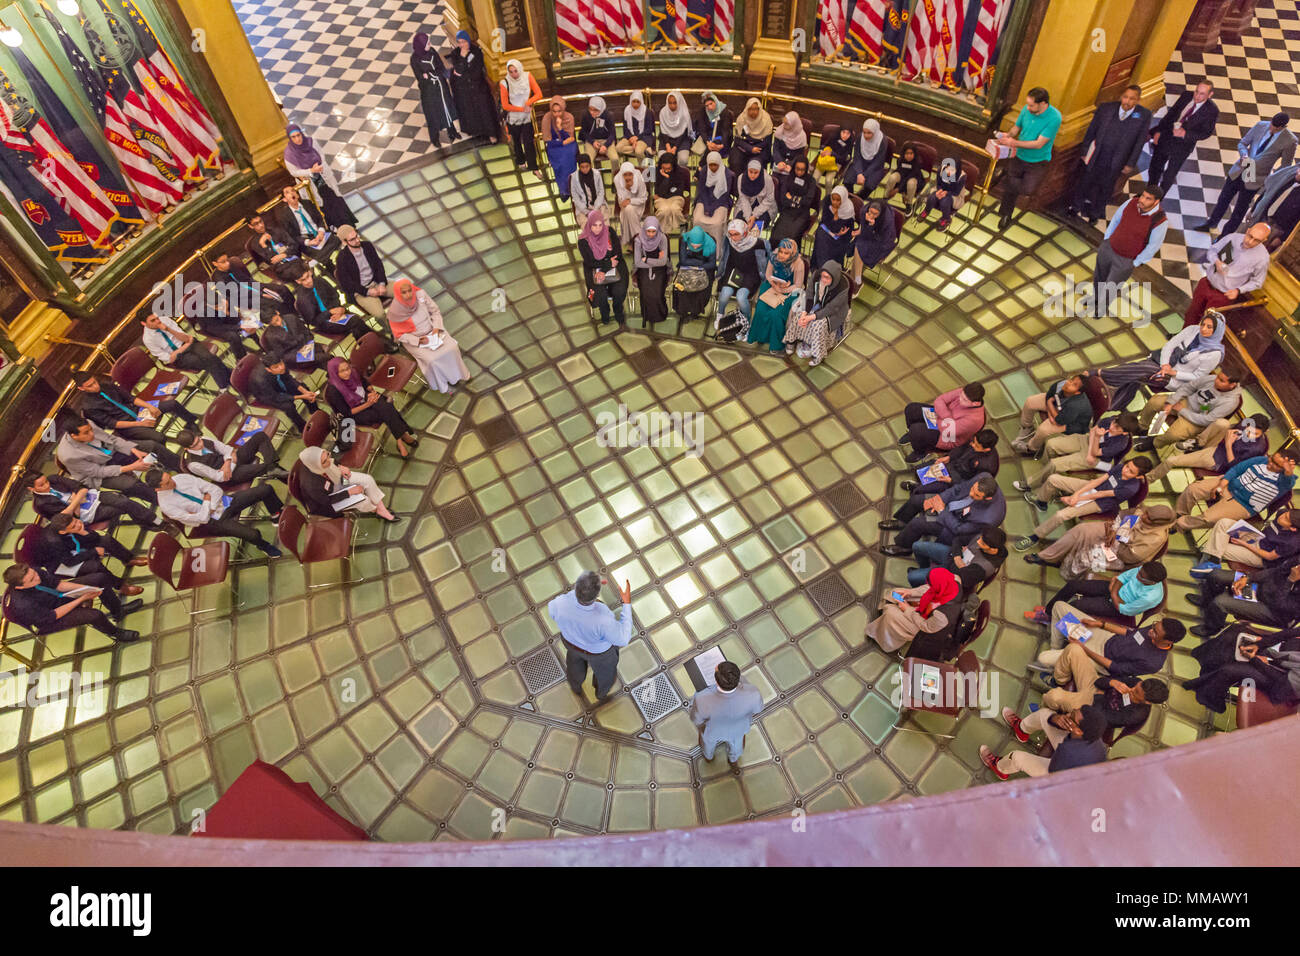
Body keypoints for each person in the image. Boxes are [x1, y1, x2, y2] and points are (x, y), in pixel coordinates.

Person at [1189, 112, 1296, 237]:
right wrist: (1243, 154)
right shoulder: (1261, 125)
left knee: (1240, 210)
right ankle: (1211, 223)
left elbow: (1285, 167)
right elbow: (1243, 143)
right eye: (1272, 124)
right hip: (1239, 169)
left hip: (1255, 177)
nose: (1271, 128)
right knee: (1223, 199)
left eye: (1275, 127)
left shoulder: (1290, 141)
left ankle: (1225, 236)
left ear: (1283, 127)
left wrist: (1269, 178)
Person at [1099, 313, 1225, 412]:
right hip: (1162, 363)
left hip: (1175, 379)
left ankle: (1103, 374)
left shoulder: (1215, 354)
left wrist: (1172, 372)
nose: (1203, 329)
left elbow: (1197, 377)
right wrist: (1165, 364)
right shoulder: (1193, 330)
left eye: (1209, 327)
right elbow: (1169, 346)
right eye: (1203, 324)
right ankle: (1116, 404)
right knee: (1138, 375)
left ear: (1217, 331)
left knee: (1146, 369)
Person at [1015, 455, 1152, 547]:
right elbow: (1099, 481)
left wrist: (1076, 498)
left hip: (1100, 501)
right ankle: (1041, 502)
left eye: (1130, 471)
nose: (1125, 470)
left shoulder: (1131, 488)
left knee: (1061, 515)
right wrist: (1077, 494)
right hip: (1093, 487)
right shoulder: (1121, 467)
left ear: (1138, 476)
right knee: (1053, 479)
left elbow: (1102, 494)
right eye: (1127, 466)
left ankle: (1035, 537)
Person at [882, 429, 1000, 531]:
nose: (972, 445)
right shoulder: (975, 440)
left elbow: (969, 486)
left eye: (976, 446)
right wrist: (949, 457)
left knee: (918, 494)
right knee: (918, 471)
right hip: (950, 466)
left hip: (953, 481)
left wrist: (951, 481)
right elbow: (961, 447)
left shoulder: (988, 466)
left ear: (987, 449)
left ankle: (903, 520)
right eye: (973, 442)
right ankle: (918, 487)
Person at [146, 469, 283, 555]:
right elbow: (201, 520)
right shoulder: (167, 505)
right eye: (167, 483)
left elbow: (215, 489)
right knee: (253, 535)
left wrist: (208, 505)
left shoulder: (181, 478)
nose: (173, 481)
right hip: (214, 521)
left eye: (169, 477)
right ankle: (263, 546)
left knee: (266, 489)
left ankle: (275, 515)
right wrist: (207, 502)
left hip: (223, 501)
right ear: (158, 489)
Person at [1068, 85, 1152, 223]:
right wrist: (1084, 151)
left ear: (1137, 100)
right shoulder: (1106, 108)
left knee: (1105, 187)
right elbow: (1092, 130)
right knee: (1085, 181)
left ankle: (1095, 213)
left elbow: (1139, 142)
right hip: (1097, 154)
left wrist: (1130, 163)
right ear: (1121, 96)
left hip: (1117, 160)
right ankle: (1075, 207)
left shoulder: (1144, 115)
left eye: (1132, 99)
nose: (1127, 101)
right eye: (1125, 97)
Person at [547, 571, 633, 704]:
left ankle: (575, 686)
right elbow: (623, 639)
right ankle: (601, 693)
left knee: (574, 666)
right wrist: (626, 604)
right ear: (597, 595)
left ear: (576, 587)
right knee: (605, 674)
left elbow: (552, 613)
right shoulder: (603, 617)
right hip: (600, 654)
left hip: (571, 644)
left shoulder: (560, 602)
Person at [1014, 413, 1138, 503]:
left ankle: (1030, 484)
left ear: (1125, 432)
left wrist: (1092, 448)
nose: (1112, 427)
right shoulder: (1111, 420)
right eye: (1114, 423)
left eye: (1117, 428)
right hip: (1087, 441)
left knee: (1055, 464)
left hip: (1097, 459)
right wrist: (1092, 446)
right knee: (1051, 444)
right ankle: (1046, 473)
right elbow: (1094, 430)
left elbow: (1096, 452)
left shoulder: (1120, 443)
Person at [2, 563, 140, 643]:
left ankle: (118, 611)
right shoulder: (24, 604)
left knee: (99, 579)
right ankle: (115, 633)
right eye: (32, 580)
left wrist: (86, 590)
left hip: (56, 597)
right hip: (49, 618)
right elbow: (52, 616)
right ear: (20, 587)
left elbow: (58, 585)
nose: (37, 577)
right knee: (94, 615)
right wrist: (81, 598)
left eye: (35, 574)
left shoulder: (34, 572)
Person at [1028, 504, 1177, 578]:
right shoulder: (1145, 512)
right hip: (1115, 531)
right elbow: (1124, 514)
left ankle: (1067, 573)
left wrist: (1116, 538)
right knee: (1082, 531)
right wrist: (1114, 530)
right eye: (1146, 514)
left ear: (1157, 523)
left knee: (1086, 556)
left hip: (1121, 555)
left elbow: (1131, 556)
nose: (1143, 517)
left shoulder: (1155, 539)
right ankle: (1047, 556)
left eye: (1148, 518)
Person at [1028, 614, 1184, 684]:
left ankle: (1058, 664)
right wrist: (1100, 624)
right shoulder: (1154, 629)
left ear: (1167, 641)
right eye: (1153, 626)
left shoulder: (1153, 662)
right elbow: (1129, 632)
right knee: (1059, 607)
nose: (1150, 630)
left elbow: (1114, 667)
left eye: (1155, 632)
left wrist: (1083, 649)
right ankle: (1058, 649)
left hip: (1102, 660)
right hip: (1106, 638)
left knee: (1043, 658)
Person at [880, 474, 1005, 558]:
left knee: (918, 523)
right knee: (916, 501)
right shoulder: (984, 477)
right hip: (949, 505)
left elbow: (959, 529)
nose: (971, 493)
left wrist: (941, 510)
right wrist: (939, 498)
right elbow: (958, 488)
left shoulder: (988, 518)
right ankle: (903, 522)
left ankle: (904, 547)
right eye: (972, 489)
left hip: (955, 525)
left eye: (976, 495)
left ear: (988, 498)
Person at [74, 369, 197, 454]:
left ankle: (192, 424)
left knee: (172, 404)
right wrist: (140, 424)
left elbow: (131, 399)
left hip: (137, 411)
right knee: (159, 437)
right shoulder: (89, 407)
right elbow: (113, 424)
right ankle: (164, 456)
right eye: (90, 386)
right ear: (81, 388)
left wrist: (149, 406)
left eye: (94, 382)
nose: (95, 386)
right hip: (127, 425)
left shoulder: (107, 385)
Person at [1184, 623, 1300, 712]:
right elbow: (1288, 633)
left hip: (1283, 686)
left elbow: (1282, 681)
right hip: (1287, 657)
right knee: (1236, 631)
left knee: (1230, 670)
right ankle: (1206, 662)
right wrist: (1260, 644)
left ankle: (1210, 698)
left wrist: (1255, 660)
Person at [1090, 187, 1167, 317]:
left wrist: (1135, 263)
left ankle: (1101, 309)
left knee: (1111, 286)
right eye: (1143, 196)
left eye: (1148, 199)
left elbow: (1153, 246)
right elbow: (1116, 220)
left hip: (1125, 260)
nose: (1142, 200)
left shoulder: (1159, 221)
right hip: (1109, 248)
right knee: (1099, 276)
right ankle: (1095, 299)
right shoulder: (1131, 203)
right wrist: (1107, 240)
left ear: (1156, 202)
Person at [1174, 450, 1297, 532]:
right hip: (1229, 485)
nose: (1269, 463)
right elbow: (1237, 469)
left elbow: (1288, 481)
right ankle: (1180, 514)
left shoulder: (1286, 481)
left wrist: (1288, 472)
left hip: (1243, 505)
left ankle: (1178, 525)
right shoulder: (1261, 460)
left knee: (1208, 518)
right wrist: (1222, 485)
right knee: (1193, 489)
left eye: (1276, 464)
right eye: (1271, 459)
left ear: (1286, 469)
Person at [994, 87, 1061, 230]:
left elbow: (1039, 144)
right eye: (1028, 104)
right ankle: (1006, 214)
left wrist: (1014, 143)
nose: (1028, 107)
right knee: (1011, 190)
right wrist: (1008, 135)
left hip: (1038, 160)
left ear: (1043, 103)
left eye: (1031, 105)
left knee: (1027, 189)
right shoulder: (1026, 109)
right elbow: (1016, 128)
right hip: (1019, 155)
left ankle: (1005, 177)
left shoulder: (1055, 117)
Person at [325, 356, 420, 457]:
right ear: (335, 373)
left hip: (366, 398)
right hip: (356, 413)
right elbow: (348, 413)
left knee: (386, 406)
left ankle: (401, 440)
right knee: (387, 407)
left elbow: (365, 383)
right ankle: (403, 437)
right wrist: (368, 404)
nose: (347, 372)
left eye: (347, 368)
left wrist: (371, 391)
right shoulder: (333, 392)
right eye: (342, 371)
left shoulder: (353, 370)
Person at [386, 279, 470, 393]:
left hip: (433, 330)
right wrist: (418, 340)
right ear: (398, 294)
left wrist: (436, 328)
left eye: (410, 290)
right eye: (404, 293)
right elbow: (399, 335)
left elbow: (435, 311)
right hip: (414, 340)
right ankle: (443, 384)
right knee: (432, 360)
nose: (408, 295)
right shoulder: (394, 312)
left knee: (452, 348)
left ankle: (460, 374)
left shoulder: (421, 294)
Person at [980, 705, 1107, 779]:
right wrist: (1055, 719)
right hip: (1072, 756)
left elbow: (1054, 772)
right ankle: (1021, 729)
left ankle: (1000, 768)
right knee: (1045, 715)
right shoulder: (1095, 738)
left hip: (1059, 776)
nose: (1068, 714)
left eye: (1072, 717)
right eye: (1073, 711)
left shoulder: (1068, 751)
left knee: (1017, 757)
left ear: (1078, 731)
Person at [1183, 224, 1271, 327]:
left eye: (1256, 240)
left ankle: (1195, 343)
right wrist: (1216, 261)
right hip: (1206, 283)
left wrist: (1238, 290)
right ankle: (1181, 338)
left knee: (1207, 324)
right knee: (1191, 314)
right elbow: (1212, 250)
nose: (1250, 242)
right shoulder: (1233, 238)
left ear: (1264, 240)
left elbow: (1257, 282)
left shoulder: (1262, 258)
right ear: (1248, 230)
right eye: (1250, 236)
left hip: (1223, 296)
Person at [56, 419, 161, 506]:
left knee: (151, 445)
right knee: (132, 485)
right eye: (86, 433)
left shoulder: (88, 424)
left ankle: (174, 469)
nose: (92, 434)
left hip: (110, 454)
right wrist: (132, 467)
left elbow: (111, 439)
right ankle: (162, 502)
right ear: (74, 436)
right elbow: (98, 472)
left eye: (91, 430)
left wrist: (133, 450)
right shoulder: (68, 455)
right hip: (98, 475)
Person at [1134, 369, 1242, 453]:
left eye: (1221, 381)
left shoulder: (1231, 402)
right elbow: (1188, 387)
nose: (1216, 381)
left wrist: (1182, 410)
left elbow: (1207, 420)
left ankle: (1154, 443)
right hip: (1185, 402)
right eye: (1218, 377)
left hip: (1197, 417)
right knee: (1155, 402)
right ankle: (1142, 427)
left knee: (1173, 435)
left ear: (1232, 385)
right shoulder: (1212, 379)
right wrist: (1171, 402)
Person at [1033, 562, 1167, 628]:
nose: (1137, 575)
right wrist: (1115, 590)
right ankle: (1049, 612)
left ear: (1152, 582)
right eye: (1139, 572)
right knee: (1073, 585)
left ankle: (1055, 622)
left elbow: (1125, 609)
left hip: (1115, 608)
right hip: (1114, 591)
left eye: (1141, 576)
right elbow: (1124, 577)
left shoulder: (1151, 597)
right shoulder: (1143, 570)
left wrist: (1114, 593)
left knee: (1075, 605)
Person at [1188, 560, 1300, 636]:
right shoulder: (1297, 562)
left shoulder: (1293, 578)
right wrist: (1248, 578)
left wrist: (1290, 580)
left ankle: (1212, 627)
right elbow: (1273, 571)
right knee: (1216, 575)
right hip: (1264, 588)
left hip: (1273, 611)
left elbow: (1279, 605)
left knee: (1220, 603)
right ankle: (1206, 602)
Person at [1149, 412, 1269, 483]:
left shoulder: (1256, 449)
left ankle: (1147, 479)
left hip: (1219, 459)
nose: (1249, 435)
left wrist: (1228, 444)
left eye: (1255, 434)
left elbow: (1234, 467)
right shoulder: (1247, 424)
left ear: (1265, 432)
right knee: (1222, 423)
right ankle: (1198, 443)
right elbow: (1230, 428)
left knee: (1171, 461)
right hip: (1218, 444)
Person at [865, 566, 962, 653]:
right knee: (896, 592)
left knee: (891, 614)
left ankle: (884, 640)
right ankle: (887, 614)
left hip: (925, 630)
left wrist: (908, 609)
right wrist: (910, 592)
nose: (930, 586)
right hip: (927, 609)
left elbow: (926, 627)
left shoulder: (943, 615)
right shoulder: (954, 580)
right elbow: (928, 588)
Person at [1147, 80, 1219, 196]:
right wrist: (1158, 131)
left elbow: (1206, 133)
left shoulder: (1212, 111)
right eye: (1196, 91)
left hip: (1183, 146)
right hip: (1167, 137)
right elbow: (1171, 114)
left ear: (1210, 95)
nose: (1197, 96)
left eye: (1202, 94)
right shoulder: (1186, 95)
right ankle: (1149, 193)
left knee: (1170, 174)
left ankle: (1158, 198)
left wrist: (1185, 134)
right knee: (1155, 167)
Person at [26, 472, 161, 530]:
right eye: (42, 485)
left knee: (123, 501)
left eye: (46, 481)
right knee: (123, 505)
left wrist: (74, 499)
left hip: (92, 496)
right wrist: (77, 500)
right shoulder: (41, 504)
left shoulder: (54, 478)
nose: (47, 485)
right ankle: (151, 522)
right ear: (31, 488)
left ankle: (152, 521)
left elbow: (82, 488)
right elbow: (68, 517)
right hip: (85, 515)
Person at [689, 661, 763, 766]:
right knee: (737, 745)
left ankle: (709, 757)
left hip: (713, 731)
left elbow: (696, 719)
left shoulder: (701, 697)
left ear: (717, 681)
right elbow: (758, 710)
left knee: (707, 744)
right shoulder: (753, 692)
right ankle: (733, 760)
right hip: (739, 728)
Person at [295, 447, 399, 521]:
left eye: (327, 454)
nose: (329, 461)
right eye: (324, 461)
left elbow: (332, 461)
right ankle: (375, 510)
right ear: (316, 465)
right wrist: (350, 492)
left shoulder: (320, 461)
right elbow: (327, 501)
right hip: (329, 502)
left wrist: (340, 467)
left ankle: (381, 508)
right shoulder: (312, 485)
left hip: (336, 481)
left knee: (367, 479)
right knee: (363, 500)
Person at [1191, 508, 1300, 578]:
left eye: (1286, 518)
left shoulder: (1292, 543)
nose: (1282, 516)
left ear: (1293, 528)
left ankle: (1207, 566)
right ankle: (1212, 564)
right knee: (1224, 523)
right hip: (1259, 538)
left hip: (1261, 556)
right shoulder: (1282, 513)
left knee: (1218, 547)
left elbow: (1270, 557)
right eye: (1286, 513)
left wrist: (1243, 544)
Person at [140, 310, 232, 390]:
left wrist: (168, 329)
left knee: (208, 357)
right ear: (144, 323)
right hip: (179, 358)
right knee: (209, 361)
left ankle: (224, 386)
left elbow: (186, 338)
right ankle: (229, 379)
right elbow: (169, 359)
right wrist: (184, 347)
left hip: (188, 343)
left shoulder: (164, 319)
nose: (158, 321)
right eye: (153, 320)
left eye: (157, 318)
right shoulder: (148, 339)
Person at [35, 512, 146, 578]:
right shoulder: (54, 542)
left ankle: (127, 559)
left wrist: (83, 531)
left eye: (76, 521)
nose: (78, 524)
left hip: (72, 546)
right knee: (95, 566)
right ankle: (120, 586)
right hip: (60, 563)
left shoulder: (67, 525)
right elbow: (69, 562)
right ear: (63, 532)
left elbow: (95, 538)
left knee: (105, 540)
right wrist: (94, 551)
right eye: (74, 526)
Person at [897, 383, 987, 464]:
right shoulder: (965, 393)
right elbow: (940, 400)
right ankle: (914, 436)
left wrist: (941, 414)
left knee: (917, 430)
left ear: (975, 403)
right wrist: (946, 417)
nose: (960, 399)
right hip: (943, 419)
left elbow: (949, 431)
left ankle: (920, 451)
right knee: (911, 408)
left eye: (964, 400)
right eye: (961, 395)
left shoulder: (975, 419)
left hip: (948, 437)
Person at [783, 260, 849, 366]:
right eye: (823, 276)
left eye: (827, 278)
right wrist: (805, 313)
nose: (823, 279)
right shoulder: (816, 276)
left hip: (835, 313)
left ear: (834, 277)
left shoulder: (843, 287)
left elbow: (831, 308)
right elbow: (809, 294)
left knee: (819, 326)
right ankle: (791, 341)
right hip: (818, 305)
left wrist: (811, 317)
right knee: (799, 316)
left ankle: (817, 356)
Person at [1010, 372, 1091, 457]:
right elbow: (1049, 394)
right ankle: (1027, 427)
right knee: (1030, 402)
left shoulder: (1076, 405)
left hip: (1072, 423)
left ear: (1077, 392)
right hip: (1057, 408)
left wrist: (1050, 405)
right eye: (1071, 380)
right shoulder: (1061, 384)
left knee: (1043, 430)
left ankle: (1031, 448)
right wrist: (1050, 408)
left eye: (1074, 385)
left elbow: (1060, 421)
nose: (1068, 383)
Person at [746, 238, 804, 353]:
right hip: (772, 287)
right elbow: (768, 274)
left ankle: (776, 344)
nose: (782, 255)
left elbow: (798, 285)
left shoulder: (798, 263)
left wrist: (784, 289)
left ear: (792, 253)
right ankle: (759, 337)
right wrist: (774, 285)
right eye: (781, 251)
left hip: (789, 292)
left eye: (786, 253)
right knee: (761, 309)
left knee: (776, 314)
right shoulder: (774, 256)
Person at [906, 526, 1007, 591]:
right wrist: (957, 556)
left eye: (983, 543)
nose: (978, 541)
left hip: (951, 575)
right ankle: (924, 568)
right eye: (980, 538)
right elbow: (958, 539)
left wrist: (955, 556)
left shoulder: (984, 567)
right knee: (917, 546)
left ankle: (920, 589)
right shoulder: (984, 537)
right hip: (954, 557)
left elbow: (961, 578)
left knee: (912, 577)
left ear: (993, 548)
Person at [176, 428, 285, 486]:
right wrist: (230, 459)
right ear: (187, 448)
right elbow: (220, 477)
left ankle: (274, 469)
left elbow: (227, 449)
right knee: (266, 467)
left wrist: (228, 462)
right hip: (231, 476)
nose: (201, 444)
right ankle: (290, 480)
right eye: (195, 445)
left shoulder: (204, 438)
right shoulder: (193, 464)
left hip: (230, 462)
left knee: (260, 436)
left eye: (198, 440)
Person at [292, 265, 373, 343]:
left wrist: (339, 310)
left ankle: (371, 348)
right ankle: (376, 345)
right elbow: (314, 321)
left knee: (356, 325)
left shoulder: (320, 280)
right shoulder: (302, 299)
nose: (308, 281)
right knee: (355, 321)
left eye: (308, 276)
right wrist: (330, 312)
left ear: (310, 272)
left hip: (338, 311)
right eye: (303, 280)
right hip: (324, 322)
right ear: (298, 281)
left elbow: (335, 295)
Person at [577, 208, 629, 326]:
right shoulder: (583, 241)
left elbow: (617, 255)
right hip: (594, 268)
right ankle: (604, 313)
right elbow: (591, 262)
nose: (598, 228)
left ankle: (618, 309)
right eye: (594, 225)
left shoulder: (609, 232)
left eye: (600, 225)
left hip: (615, 264)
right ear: (589, 224)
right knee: (600, 293)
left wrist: (605, 268)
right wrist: (607, 264)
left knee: (619, 290)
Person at [447, 31, 500, 143]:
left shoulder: (476, 52)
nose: (462, 45)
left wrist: (463, 73)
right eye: (459, 42)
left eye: (464, 42)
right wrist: (462, 57)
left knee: (484, 111)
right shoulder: (456, 53)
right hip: (464, 89)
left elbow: (476, 72)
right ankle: (476, 131)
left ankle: (491, 134)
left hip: (478, 87)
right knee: (470, 110)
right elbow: (458, 69)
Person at [715, 219, 765, 332]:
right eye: (731, 234)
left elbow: (761, 264)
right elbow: (727, 261)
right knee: (724, 295)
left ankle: (747, 321)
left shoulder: (757, 243)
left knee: (741, 297)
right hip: (734, 273)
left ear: (745, 233)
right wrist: (725, 276)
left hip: (750, 275)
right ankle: (720, 316)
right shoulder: (729, 241)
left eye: (736, 234)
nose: (733, 237)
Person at [251, 351, 319, 433]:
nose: (281, 368)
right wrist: (302, 396)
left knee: (303, 387)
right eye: (276, 367)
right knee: (288, 406)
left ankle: (315, 411)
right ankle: (302, 427)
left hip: (280, 383)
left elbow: (288, 378)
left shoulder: (280, 364)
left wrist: (305, 392)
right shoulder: (261, 380)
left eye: (281, 364)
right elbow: (275, 397)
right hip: (267, 395)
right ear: (268, 369)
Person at [410, 33, 458, 147]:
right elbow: (419, 76)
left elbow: (440, 65)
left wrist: (443, 75)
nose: (430, 44)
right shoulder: (415, 59)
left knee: (447, 108)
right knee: (433, 114)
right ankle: (435, 137)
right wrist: (425, 77)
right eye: (427, 43)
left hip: (441, 86)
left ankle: (452, 131)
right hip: (430, 91)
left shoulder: (431, 51)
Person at [333, 225, 390, 319]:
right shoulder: (342, 259)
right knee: (380, 314)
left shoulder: (367, 246)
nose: (357, 240)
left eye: (357, 236)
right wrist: (367, 291)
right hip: (360, 291)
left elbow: (378, 265)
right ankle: (393, 332)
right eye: (352, 239)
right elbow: (347, 284)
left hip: (376, 282)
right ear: (344, 242)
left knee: (403, 287)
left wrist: (382, 283)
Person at [499, 59, 542, 177]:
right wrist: (522, 109)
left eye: (516, 71)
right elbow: (505, 105)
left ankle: (534, 167)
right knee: (517, 141)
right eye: (511, 72)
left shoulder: (527, 76)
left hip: (526, 117)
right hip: (513, 118)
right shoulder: (504, 82)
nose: (514, 74)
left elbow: (538, 93)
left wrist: (529, 102)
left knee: (529, 142)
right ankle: (521, 161)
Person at [1243, 162, 1300, 247]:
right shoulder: (1287, 178)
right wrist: (1253, 209)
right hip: (1261, 216)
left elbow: (1297, 222)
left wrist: (1282, 238)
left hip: (1276, 229)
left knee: (1256, 251)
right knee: (1241, 240)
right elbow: (1267, 193)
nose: (1298, 173)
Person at [276, 185, 339, 261]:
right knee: (322, 257)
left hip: (320, 233)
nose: (292, 193)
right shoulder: (285, 216)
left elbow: (319, 219)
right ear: (285, 199)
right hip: (306, 240)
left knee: (337, 241)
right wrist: (308, 242)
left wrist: (321, 232)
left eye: (293, 190)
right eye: (287, 192)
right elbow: (293, 236)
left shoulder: (307, 203)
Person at [849, 199, 897, 294]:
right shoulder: (864, 210)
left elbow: (883, 238)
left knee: (859, 246)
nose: (871, 215)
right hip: (868, 236)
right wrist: (868, 226)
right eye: (870, 212)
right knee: (859, 245)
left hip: (883, 242)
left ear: (880, 213)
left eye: (875, 214)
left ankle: (854, 279)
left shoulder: (887, 219)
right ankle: (855, 279)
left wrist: (870, 225)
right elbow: (864, 231)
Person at [261, 304, 328, 372]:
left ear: (277, 312)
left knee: (322, 361)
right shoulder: (270, 336)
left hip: (307, 345)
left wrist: (307, 346)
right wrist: (299, 354)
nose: (278, 324)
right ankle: (327, 359)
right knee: (323, 358)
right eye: (273, 324)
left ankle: (329, 368)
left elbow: (306, 332)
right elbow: (282, 355)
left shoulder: (291, 318)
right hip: (295, 357)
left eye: (277, 320)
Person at [769, 156, 820, 244]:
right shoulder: (788, 178)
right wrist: (799, 201)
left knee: (791, 239)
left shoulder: (811, 181)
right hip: (787, 212)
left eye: (802, 169)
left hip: (802, 215)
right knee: (775, 236)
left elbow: (808, 201)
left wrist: (792, 198)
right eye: (797, 169)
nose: (800, 172)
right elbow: (783, 199)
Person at [692, 151, 736, 251]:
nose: (713, 168)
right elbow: (702, 191)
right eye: (710, 165)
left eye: (715, 165)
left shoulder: (728, 174)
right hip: (704, 200)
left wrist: (711, 209)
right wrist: (707, 208)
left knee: (716, 224)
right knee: (698, 220)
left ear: (719, 163)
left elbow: (725, 195)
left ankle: (715, 252)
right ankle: (698, 250)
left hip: (721, 202)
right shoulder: (703, 171)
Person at [632, 217, 670, 327]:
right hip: (643, 269)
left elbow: (663, 262)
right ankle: (647, 315)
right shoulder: (638, 240)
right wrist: (655, 261)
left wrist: (648, 260)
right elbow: (638, 263)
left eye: (654, 231)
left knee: (657, 292)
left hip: (659, 269)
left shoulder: (662, 238)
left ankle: (660, 314)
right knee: (646, 291)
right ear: (644, 230)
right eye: (648, 231)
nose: (651, 234)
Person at [810, 185, 855, 272]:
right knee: (821, 236)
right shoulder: (827, 200)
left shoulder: (848, 209)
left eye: (838, 200)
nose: (834, 202)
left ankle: (827, 271)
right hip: (827, 229)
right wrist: (835, 219)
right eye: (833, 199)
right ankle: (818, 268)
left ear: (843, 199)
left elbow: (839, 229)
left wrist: (836, 215)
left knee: (830, 245)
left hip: (842, 237)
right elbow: (825, 220)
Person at [676, 226, 717, 321]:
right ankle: (683, 312)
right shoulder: (684, 239)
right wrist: (701, 264)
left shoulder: (711, 243)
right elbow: (683, 260)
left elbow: (712, 264)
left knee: (701, 291)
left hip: (705, 272)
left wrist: (696, 265)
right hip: (687, 270)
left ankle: (695, 312)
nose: (694, 248)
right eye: (692, 245)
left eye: (698, 246)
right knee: (682, 289)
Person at [542, 95, 578, 200]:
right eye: (554, 111)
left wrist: (560, 128)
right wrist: (561, 143)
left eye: (559, 111)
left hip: (568, 146)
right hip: (555, 147)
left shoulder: (569, 117)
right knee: (560, 163)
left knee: (568, 158)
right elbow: (548, 141)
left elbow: (570, 138)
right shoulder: (547, 119)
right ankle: (563, 190)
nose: (557, 114)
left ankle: (573, 186)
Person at [842, 118, 888, 198]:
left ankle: (859, 199)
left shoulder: (882, 140)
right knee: (847, 180)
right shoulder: (860, 137)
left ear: (875, 132)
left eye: (869, 133)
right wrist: (859, 173)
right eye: (864, 132)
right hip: (860, 163)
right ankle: (851, 198)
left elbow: (878, 162)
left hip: (874, 167)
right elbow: (857, 156)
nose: (866, 136)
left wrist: (864, 175)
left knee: (870, 185)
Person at [729, 97, 773, 175]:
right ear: (747, 109)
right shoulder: (742, 119)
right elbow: (737, 140)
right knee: (736, 162)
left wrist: (755, 148)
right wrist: (750, 148)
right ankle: (737, 184)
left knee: (755, 166)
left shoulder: (766, 119)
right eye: (751, 109)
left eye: (756, 109)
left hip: (760, 149)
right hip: (744, 147)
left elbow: (767, 141)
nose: (754, 112)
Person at [921, 158, 966, 231]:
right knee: (932, 197)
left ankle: (946, 219)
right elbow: (938, 184)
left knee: (944, 201)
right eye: (948, 169)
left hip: (954, 195)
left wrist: (946, 193)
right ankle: (926, 210)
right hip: (941, 189)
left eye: (952, 170)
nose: (949, 172)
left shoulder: (962, 177)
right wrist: (939, 191)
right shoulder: (941, 170)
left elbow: (956, 192)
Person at [651, 151, 691, 233]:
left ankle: (682, 227)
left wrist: (665, 194)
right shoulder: (655, 172)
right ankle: (660, 232)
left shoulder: (680, 172)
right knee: (664, 210)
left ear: (674, 166)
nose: (666, 171)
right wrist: (666, 178)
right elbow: (658, 191)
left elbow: (679, 191)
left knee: (674, 209)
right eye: (664, 169)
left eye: (669, 169)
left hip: (676, 198)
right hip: (661, 199)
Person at [613, 161, 648, 250]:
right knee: (628, 209)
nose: (628, 177)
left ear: (633, 173)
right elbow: (622, 200)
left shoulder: (639, 178)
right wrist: (627, 188)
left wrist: (630, 200)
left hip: (638, 204)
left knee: (628, 209)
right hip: (624, 204)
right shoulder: (617, 179)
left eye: (630, 174)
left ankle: (631, 242)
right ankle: (638, 239)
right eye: (625, 175)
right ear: (622, 175)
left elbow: (643, 198)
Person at [734, 159, 776, 232]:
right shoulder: (741, 178)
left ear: (760, 172)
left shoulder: (767, 179)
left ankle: (754, 242)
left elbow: (769, 200)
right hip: (746, 206)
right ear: (747, 170)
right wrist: (748, 218)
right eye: (750, 172)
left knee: (756, 229)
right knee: (739, 226)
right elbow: (743, 199)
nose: (752, 175)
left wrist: (754, 215)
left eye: (756, 173)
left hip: (765, 208)